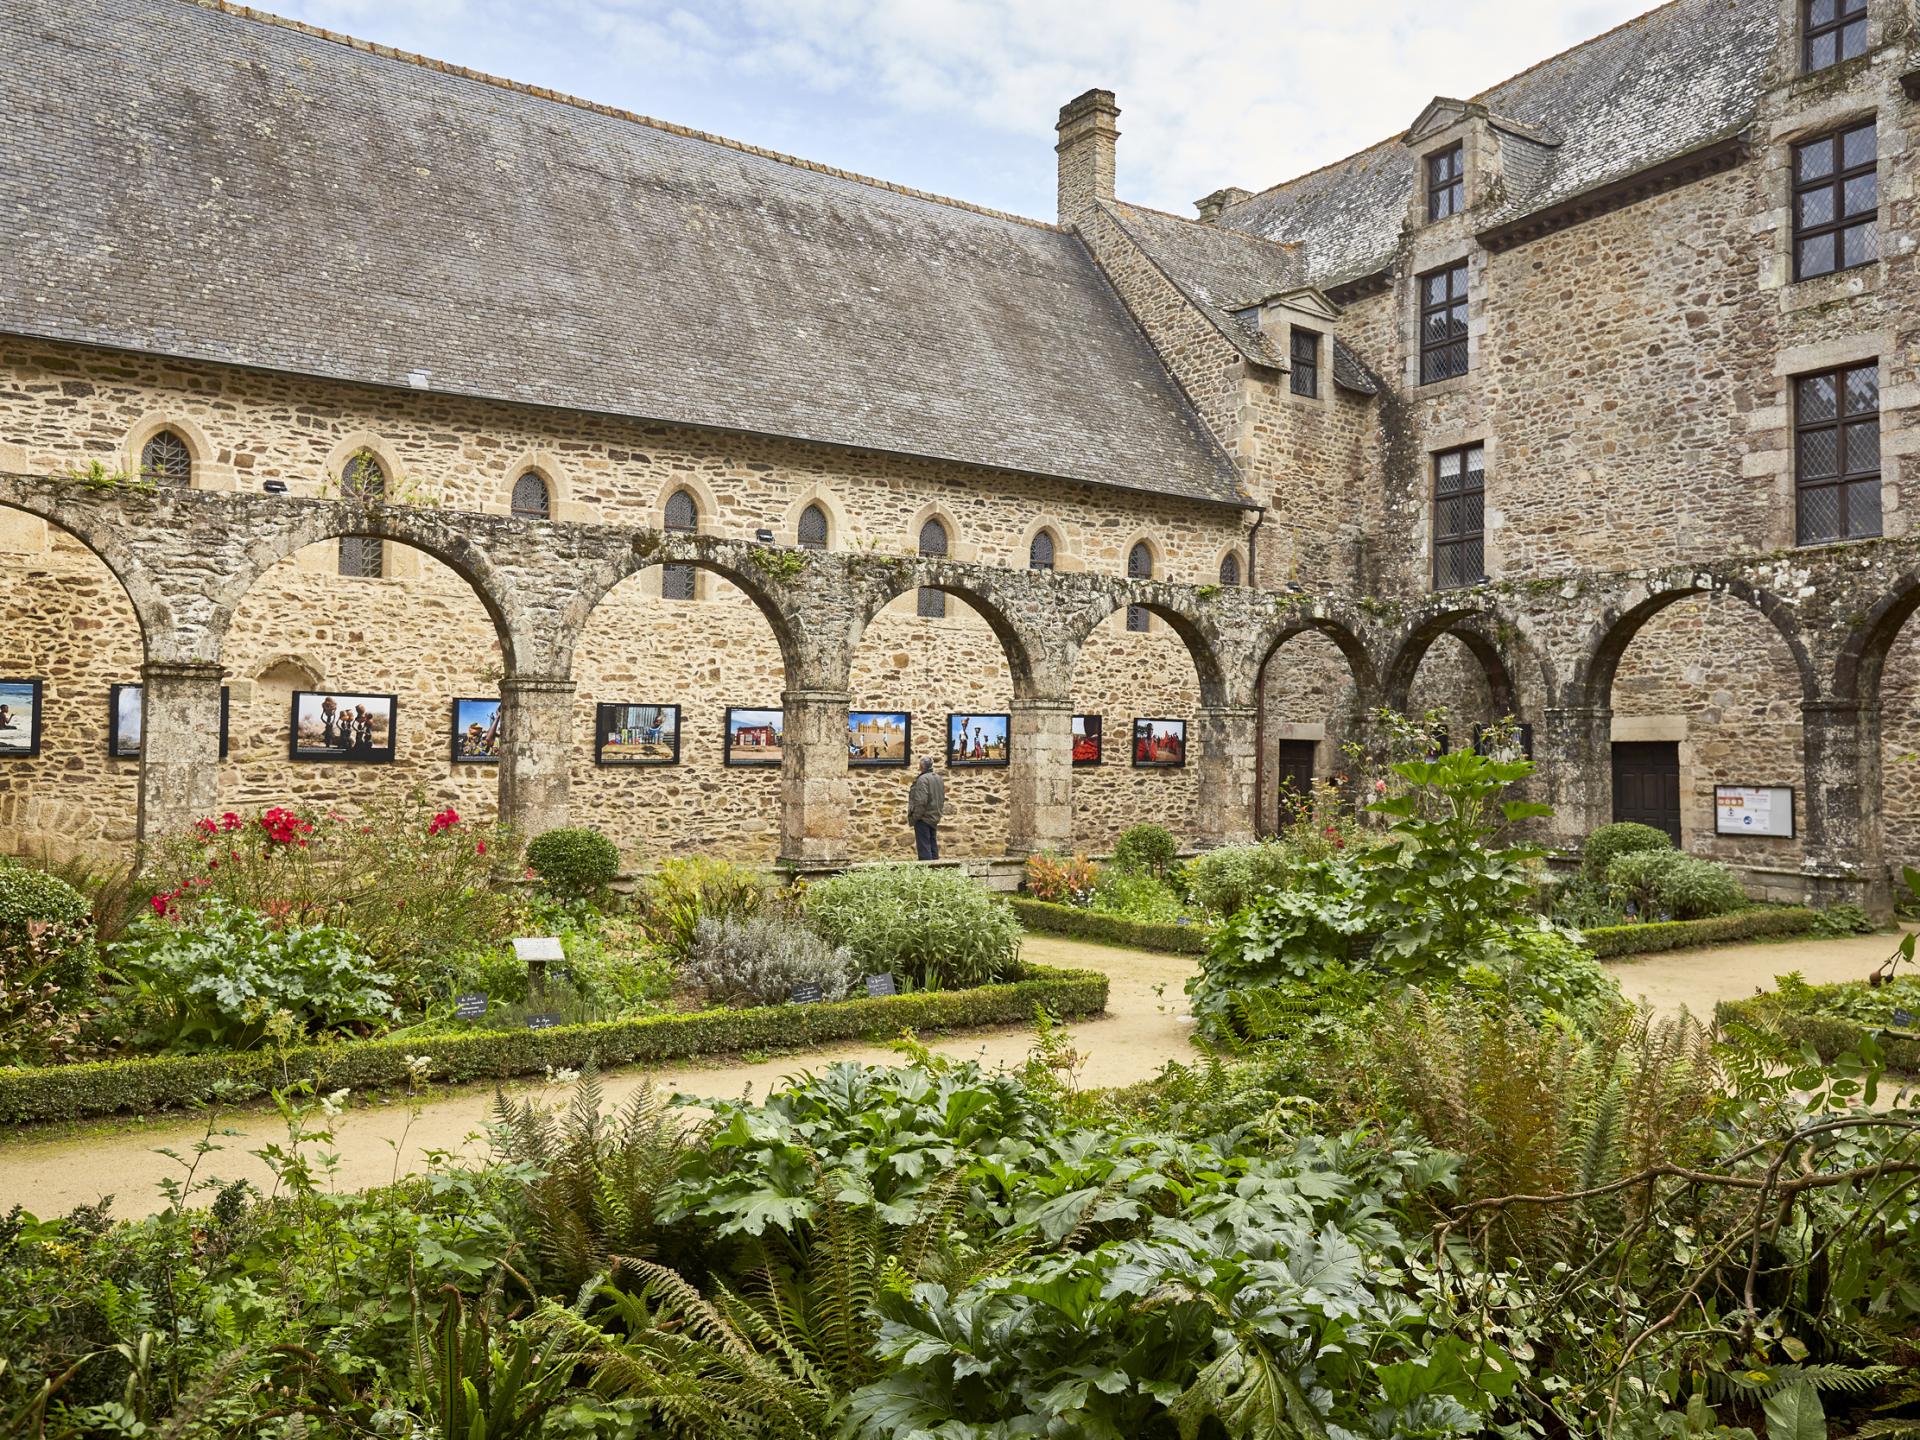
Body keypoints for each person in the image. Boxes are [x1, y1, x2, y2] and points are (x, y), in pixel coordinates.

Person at [907, 754, 944, 860]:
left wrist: (914, 818)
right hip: (934, 817)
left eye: (919, 765)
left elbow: (921, 802)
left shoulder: (922, 779)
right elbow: (941, 798)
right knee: (933, 847)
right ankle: (936, 874)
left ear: (922, 766)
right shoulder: (938, 778)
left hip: (923, 818)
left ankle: (926, 875)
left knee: (924, 851)